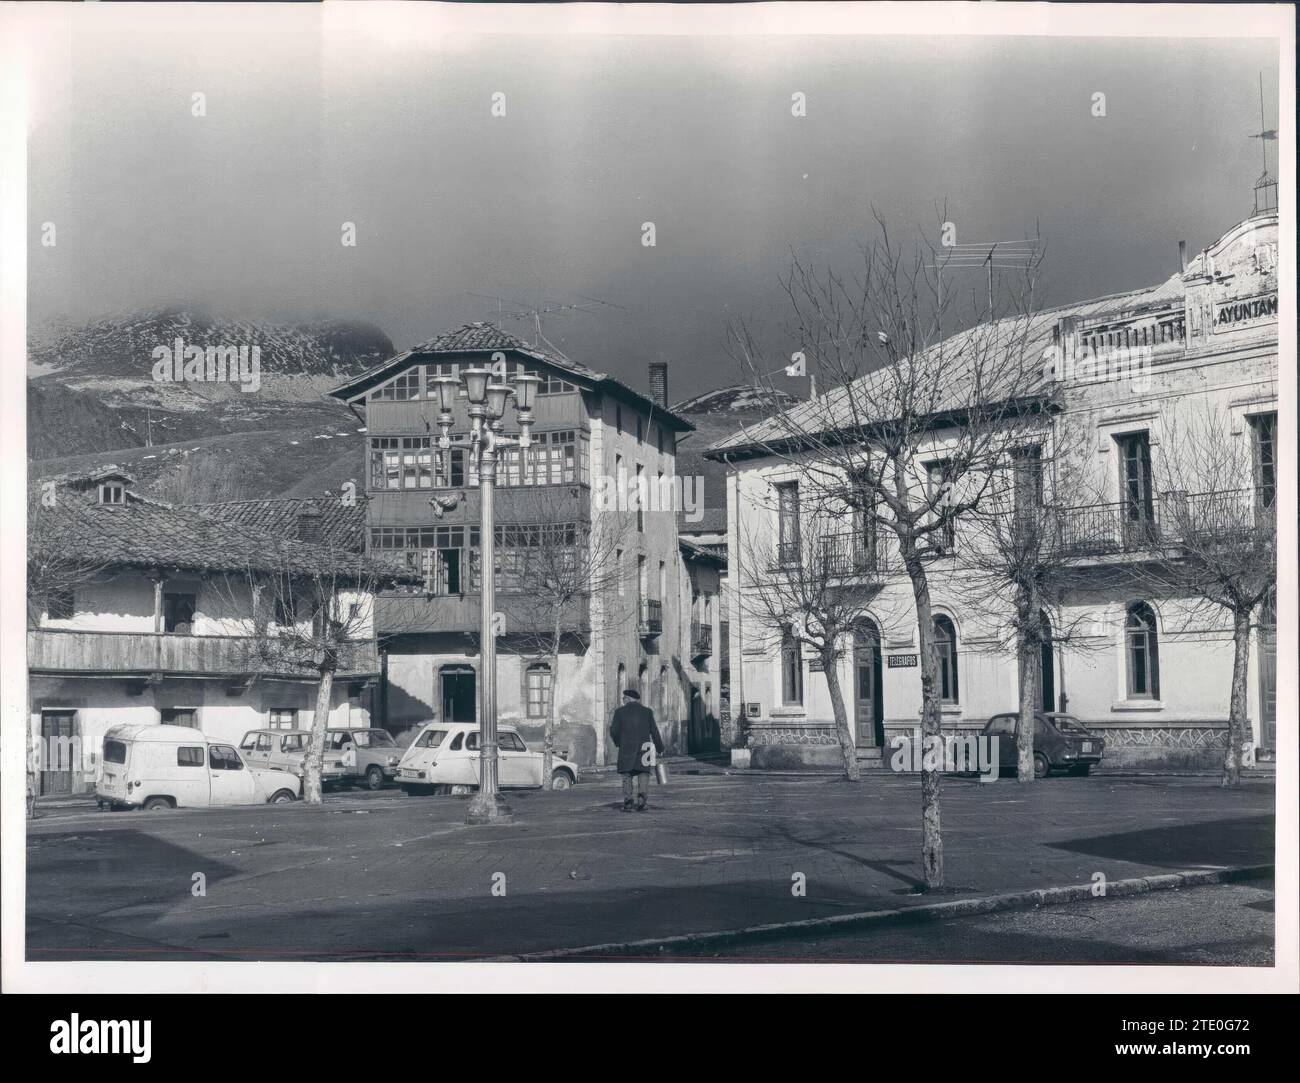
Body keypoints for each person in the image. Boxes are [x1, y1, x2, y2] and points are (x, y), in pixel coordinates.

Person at [609, 687, 664, 812]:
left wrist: (619, 743)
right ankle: (642, 803)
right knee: (643, 774)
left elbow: (614, 731)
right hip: (645, 749)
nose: (623, 700)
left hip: (626, 749)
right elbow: (654, 731)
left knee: (627, 775)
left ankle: (628, 803)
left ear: (628, 698)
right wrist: (660, 747)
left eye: (624, 698)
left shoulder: (619, 712)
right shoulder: (647, 712)